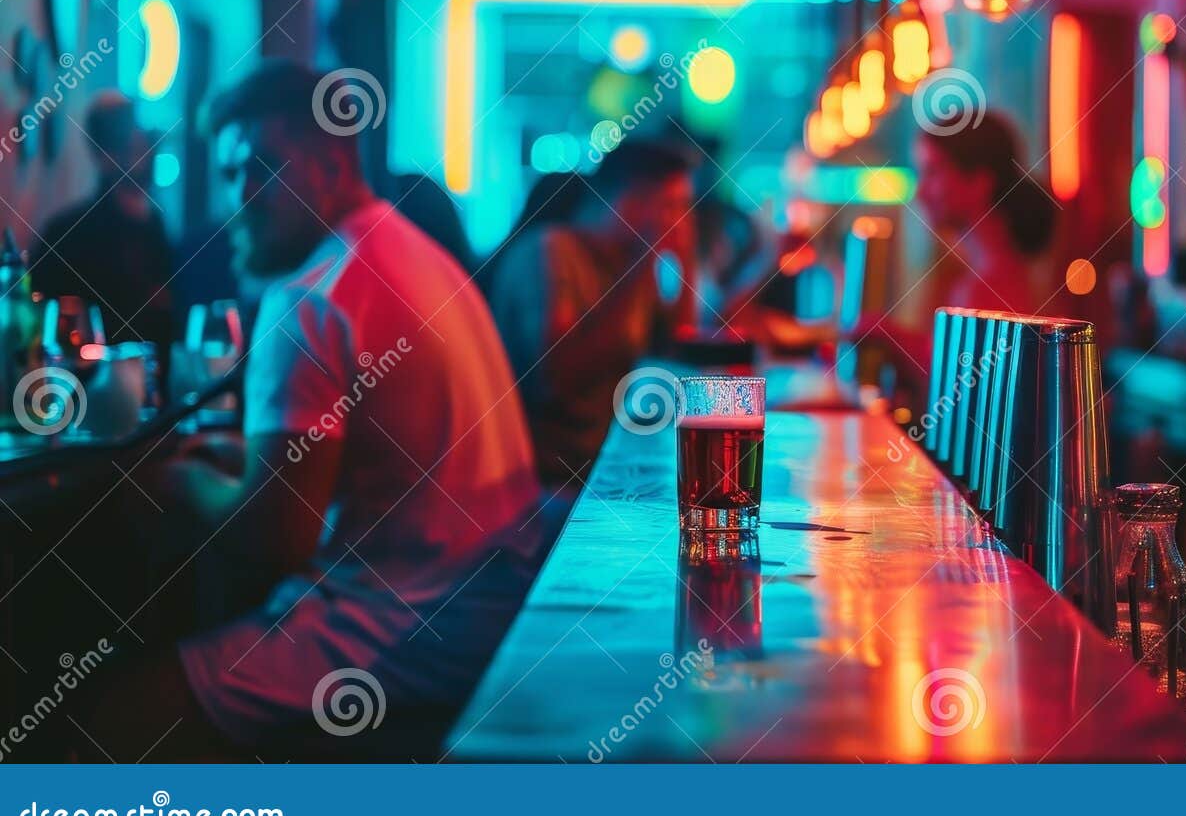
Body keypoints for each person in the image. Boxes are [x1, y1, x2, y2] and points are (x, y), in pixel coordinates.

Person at [90, 60, 540, 759]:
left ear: (331, 167)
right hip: (489, 599)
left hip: (402, 626)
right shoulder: (414, 253)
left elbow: (274, 542)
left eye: (262, 169)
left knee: (110, 717)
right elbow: (366, 470)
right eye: (231, 174)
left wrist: (183, 482)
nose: (240, 197)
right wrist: (246, 465)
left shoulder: (312, 295)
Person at [490, 142, 694, 494]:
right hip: (545, 480)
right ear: (628, 202)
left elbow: (680, 347)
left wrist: (683, 259)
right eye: (671, 206)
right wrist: (644, 258)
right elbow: (558, 382)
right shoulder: (550, 252)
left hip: (603, 466)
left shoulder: (630, 260)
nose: (681, 221)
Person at [856, 113, 1058, 385]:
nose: (921, 192)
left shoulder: (992, 285)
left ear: (979, 182)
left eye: (933, 172)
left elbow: (962, 387)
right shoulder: (986, 273)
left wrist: (889, 337)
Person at [31, 91, 175, 346]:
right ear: (101, 153)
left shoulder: (157, 226)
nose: (142, 146)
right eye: (123, 135)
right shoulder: (66, 235)